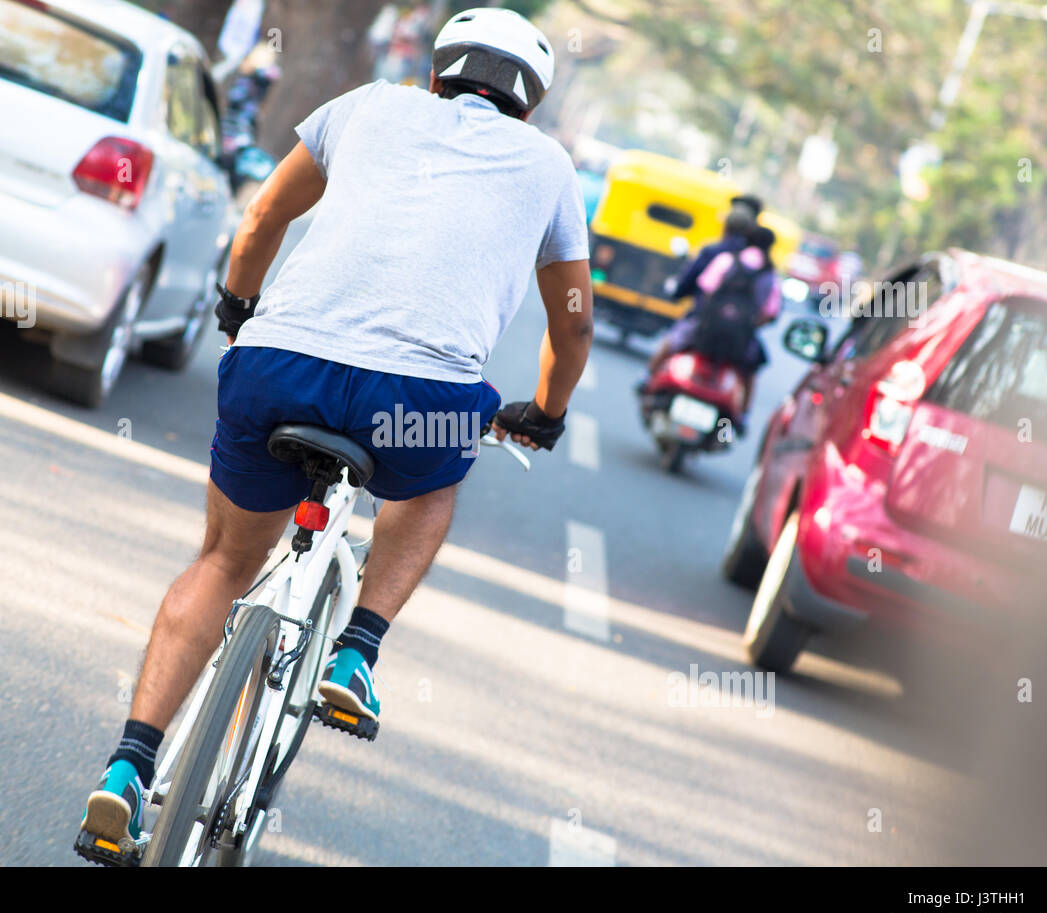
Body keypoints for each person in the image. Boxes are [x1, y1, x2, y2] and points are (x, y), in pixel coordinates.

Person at [77, 7, 592, 849]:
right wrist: (546, 414)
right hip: (418, 402)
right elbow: (571, 324)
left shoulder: (365, 104)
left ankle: (129, 767)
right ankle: (357, 650)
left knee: (222, 560)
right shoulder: (547, 167)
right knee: (426, 492)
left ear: (435, 73)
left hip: (280, 366)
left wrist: (240, 309)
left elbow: (260, 222)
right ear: (529, 106)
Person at [644, 225, 780, 425]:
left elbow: (705, 288)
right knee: (751, 374)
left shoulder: (727, 260)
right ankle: (744, 416)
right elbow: (770, 313)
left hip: (704, 328)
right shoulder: (771, 276)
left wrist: (711, 316)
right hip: (742, 339)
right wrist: (747, 327)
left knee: (670, 344)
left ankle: (646, 379)